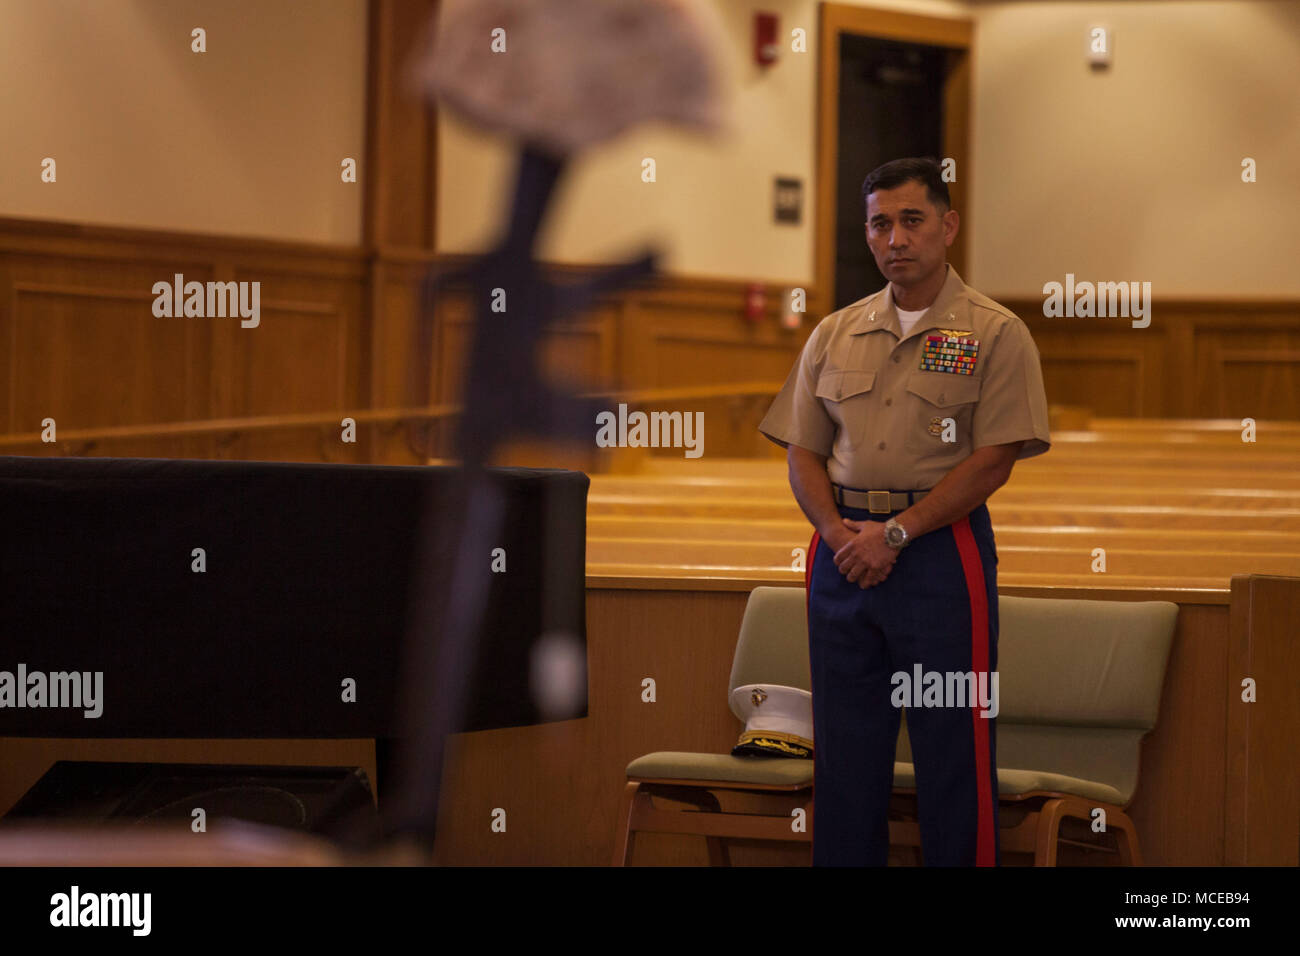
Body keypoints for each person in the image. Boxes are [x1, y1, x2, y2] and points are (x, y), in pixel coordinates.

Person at [758, 157, 1051, 866]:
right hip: (842, 556)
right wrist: (838, 535)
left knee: (953, 749)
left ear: (947, 226)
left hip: (939, 557)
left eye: (912, 220)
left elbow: (993, 458)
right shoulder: (834, 332)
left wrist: (896, 533)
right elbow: (803, 450)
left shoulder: (995, 332)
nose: (896, 238)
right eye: (880, 224)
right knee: (846, 757)